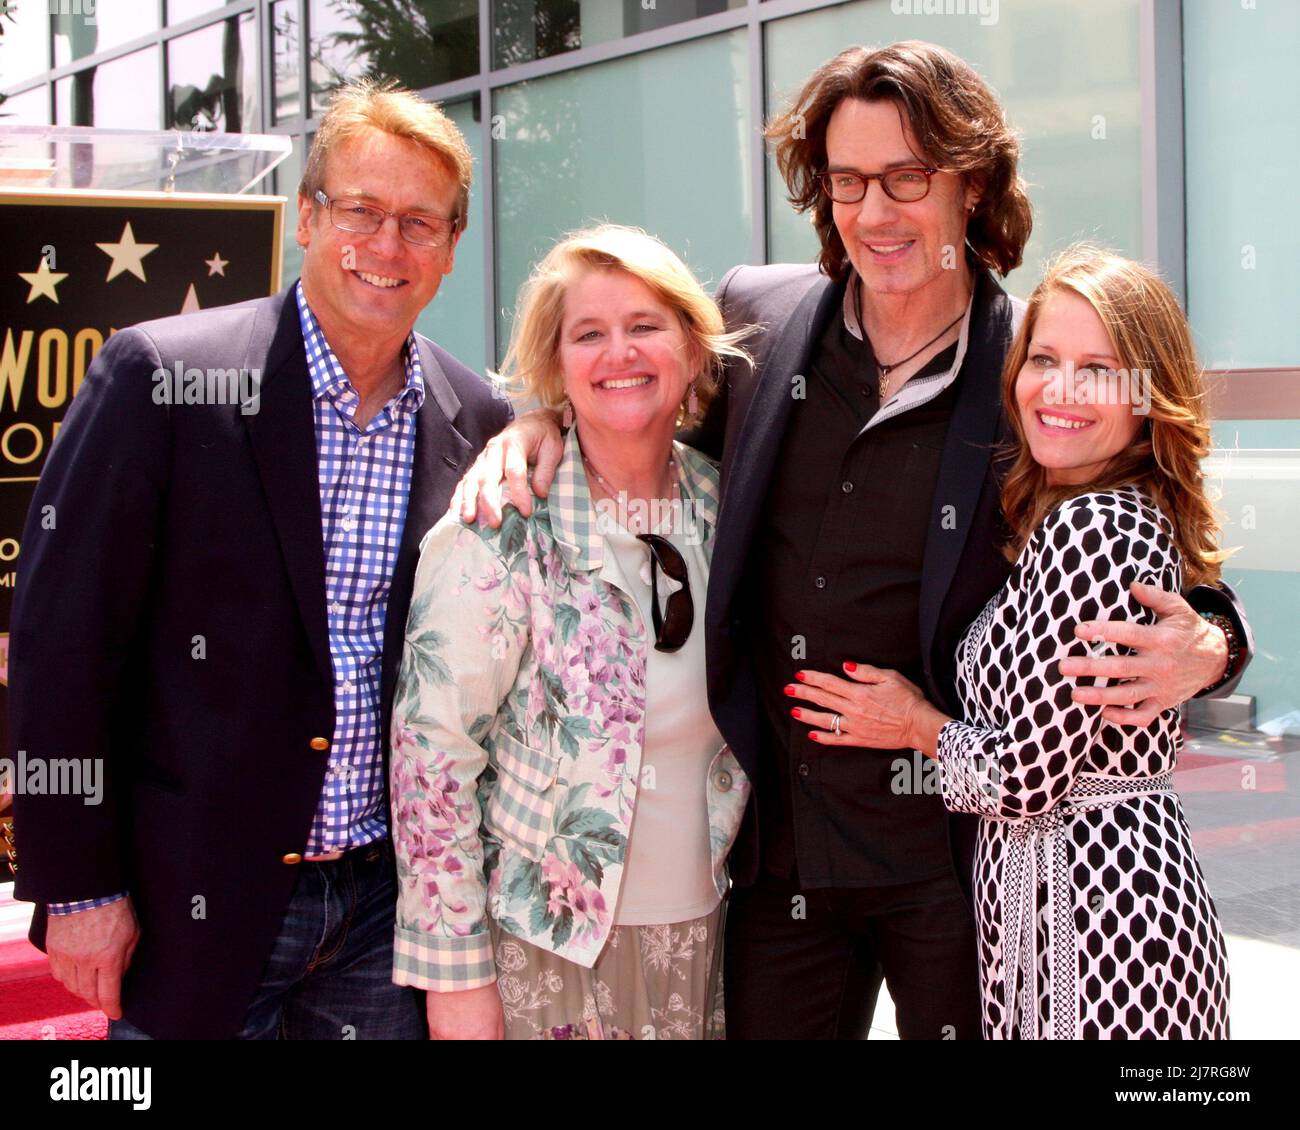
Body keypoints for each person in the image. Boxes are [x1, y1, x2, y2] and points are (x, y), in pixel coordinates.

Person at [449, 41, 1251, 1040]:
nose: (875, 213)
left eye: (908, 178)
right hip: (780, 852)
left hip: (956, 864)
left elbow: (1158, 541)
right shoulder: (758, 314)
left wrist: (1213, 640)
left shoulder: (1034, 369)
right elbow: (638, 402)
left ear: (972, 185)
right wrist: (540, 422)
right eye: (847, 182)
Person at [8, 79, 512, 1039]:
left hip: (383, 911)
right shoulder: (161, 378)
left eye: (420, 222)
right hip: (191, 903)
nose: (387, 245)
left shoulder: (473, 415)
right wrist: (76, 887)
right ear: (309, 219)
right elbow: (59, 647)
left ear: (450, 249)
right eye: (361, 210)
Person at [793, 245, 1231, 1038]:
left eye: (1099, 369)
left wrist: (913, 723)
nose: (1059, 389)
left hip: (1101, 923)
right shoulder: (1086, 512)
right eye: (1044, 358)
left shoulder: (1091, 528)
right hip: (1070, 898)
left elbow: (1022, 778)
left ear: (1147, 395)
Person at [390, 225, 751, 1040]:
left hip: (705, 947)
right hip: (544, 961)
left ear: (693, 352)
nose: (619, 352)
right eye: (589, 334)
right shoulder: (502, 523)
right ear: (557, 368)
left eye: (645, 325)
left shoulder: (729, 508)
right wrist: (455, 983)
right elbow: (431, 760)